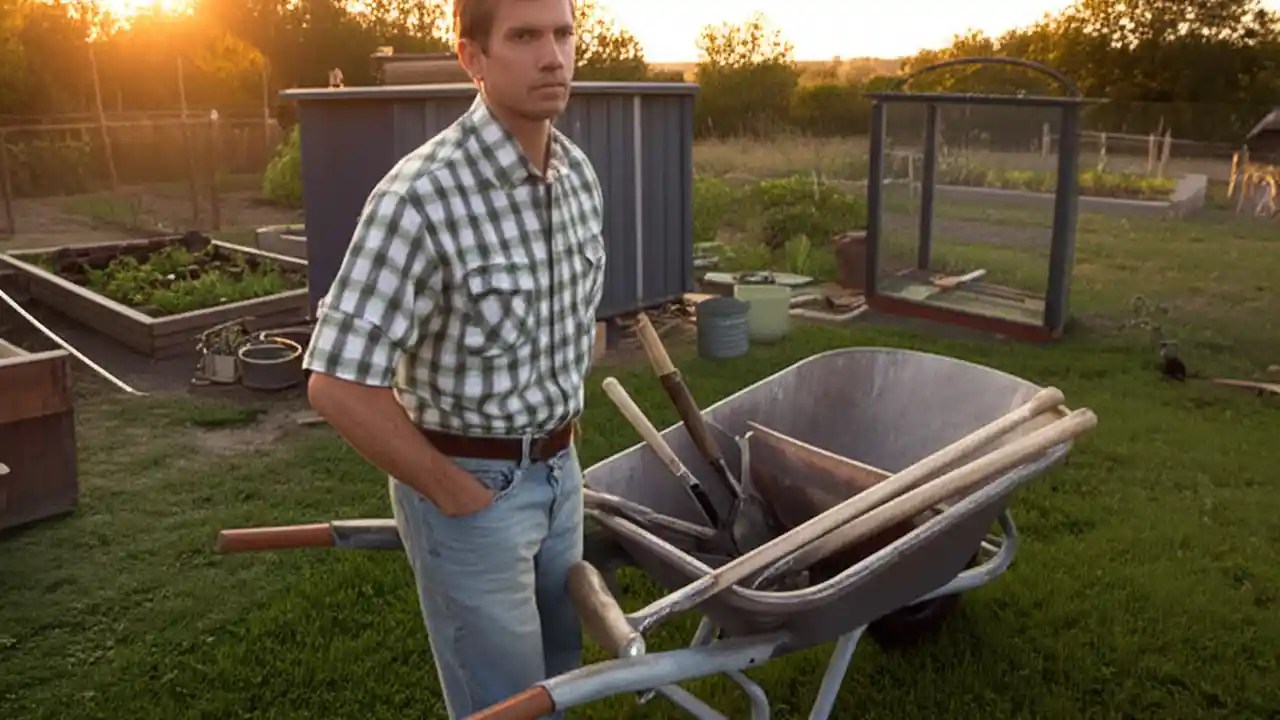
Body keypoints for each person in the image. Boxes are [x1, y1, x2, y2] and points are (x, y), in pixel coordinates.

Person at [301, 0, 606, 716]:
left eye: (563, 34)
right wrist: (450, 491)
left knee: (558, 682)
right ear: (472, 57)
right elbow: (337, 383)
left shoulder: (578, 178)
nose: (553, 57)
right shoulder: (420, 198)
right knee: (501, 702)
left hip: (562, 475)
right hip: (474, 493)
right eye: (525, 37)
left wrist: (560, 444)